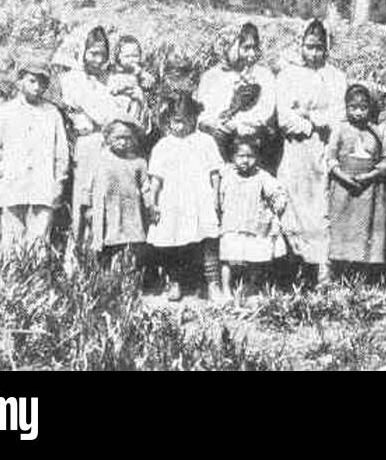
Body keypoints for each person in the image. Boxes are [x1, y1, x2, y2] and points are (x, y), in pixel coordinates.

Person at [274, 18, 347, 284]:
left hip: (323, 149)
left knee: (320, 208)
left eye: (319, 47)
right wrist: (309, 122)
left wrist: (309, 115)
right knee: (293, 207)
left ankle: (323, 270)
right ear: (300, 46)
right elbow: (284, 118)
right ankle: (298, 268)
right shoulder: (287, 75)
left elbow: (339, 114)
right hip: (295, 152)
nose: (314, 53)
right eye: (309, 46)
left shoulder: (336, 77)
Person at [0, 56, 70, 256]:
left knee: (39, 236)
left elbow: (61, 151)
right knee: (13, 234)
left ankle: (36, 278)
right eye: (32, 81)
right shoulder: (6, 112)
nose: (37, 87)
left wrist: (59, 179)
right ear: (20, 81)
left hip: (42, 182)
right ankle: (13, 277)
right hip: (13, 181)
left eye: (42, 83)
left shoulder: (52, 113)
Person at [146, 93, 224, 302]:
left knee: (208, 237)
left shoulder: (206, 142)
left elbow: (215, 172)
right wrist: (152, 201)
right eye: (175, 122)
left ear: (194, 119)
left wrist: (215, 196)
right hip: (172, 198)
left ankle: (213, 283)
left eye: (184, 121)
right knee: (173, 238)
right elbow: (156, 178)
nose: (179, 127)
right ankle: (175, 281)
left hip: (200, 196)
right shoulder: (164, 145)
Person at [60, 26, 131, 246]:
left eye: (102, 54)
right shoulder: (73, 78)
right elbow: (103, 114)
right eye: (93, 53)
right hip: (89, 145)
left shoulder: (107, 79)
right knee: (85, 197)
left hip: (108, 144)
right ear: (82, 52)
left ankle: (105, 254)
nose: (98, 60)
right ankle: (78, 255)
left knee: (109, 194)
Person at [326, 83, 386, 280]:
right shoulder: (340, 129)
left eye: (363, 108)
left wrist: (370, 176)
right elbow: (330, 157)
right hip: (343, 186)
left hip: (370, 189)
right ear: (346, 107)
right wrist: (341, 175)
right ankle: (340, 274)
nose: (357, 113)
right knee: (342, 228)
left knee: (366, 230)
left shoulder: (378, 131)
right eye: (352, 108)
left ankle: (363, 276)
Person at [218, 135, 288, 297]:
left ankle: (251, 286)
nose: (245, 160)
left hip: (254, 224)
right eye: (241, 156)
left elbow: (277, 192)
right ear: (233, 157)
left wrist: (277, 205)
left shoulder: (262, 176)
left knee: (255, 257)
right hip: (232, 224)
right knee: (228, 258)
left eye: (250, 156)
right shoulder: (227, 174)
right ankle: (226, 290)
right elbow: (218, 191)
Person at [196, 22, 277, 159]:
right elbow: (202, 113)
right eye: (246, 48)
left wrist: (237, 124)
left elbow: (266, 111)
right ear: (229, 47)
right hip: (216, 144)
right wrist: (215, 124)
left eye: (254, 48)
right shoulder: (211, 77)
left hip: (249, 147)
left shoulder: (263, 75)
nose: (251, 54)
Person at [80, 119, 150, 270]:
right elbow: (88, 184)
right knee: (107, 243)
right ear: (108, 137)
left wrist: (150, 205)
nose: (123, 142)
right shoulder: (100, 159)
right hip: (107, 210)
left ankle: (129, 278)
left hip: (131, 211)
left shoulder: (139, 162)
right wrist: (87, 207)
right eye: (118, 138)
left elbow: (146, 186)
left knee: (131, 245)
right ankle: (106, 279)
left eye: (128, 138)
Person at [108, 34, 156, 146]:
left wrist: (140, 73)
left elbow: (151, 82)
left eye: (135, 56)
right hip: (120, 114)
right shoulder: (115, 76)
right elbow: (112, 90)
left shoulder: (140, 74)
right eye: (127, 56)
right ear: (118, 57)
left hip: (138, 114)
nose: (132, 60)